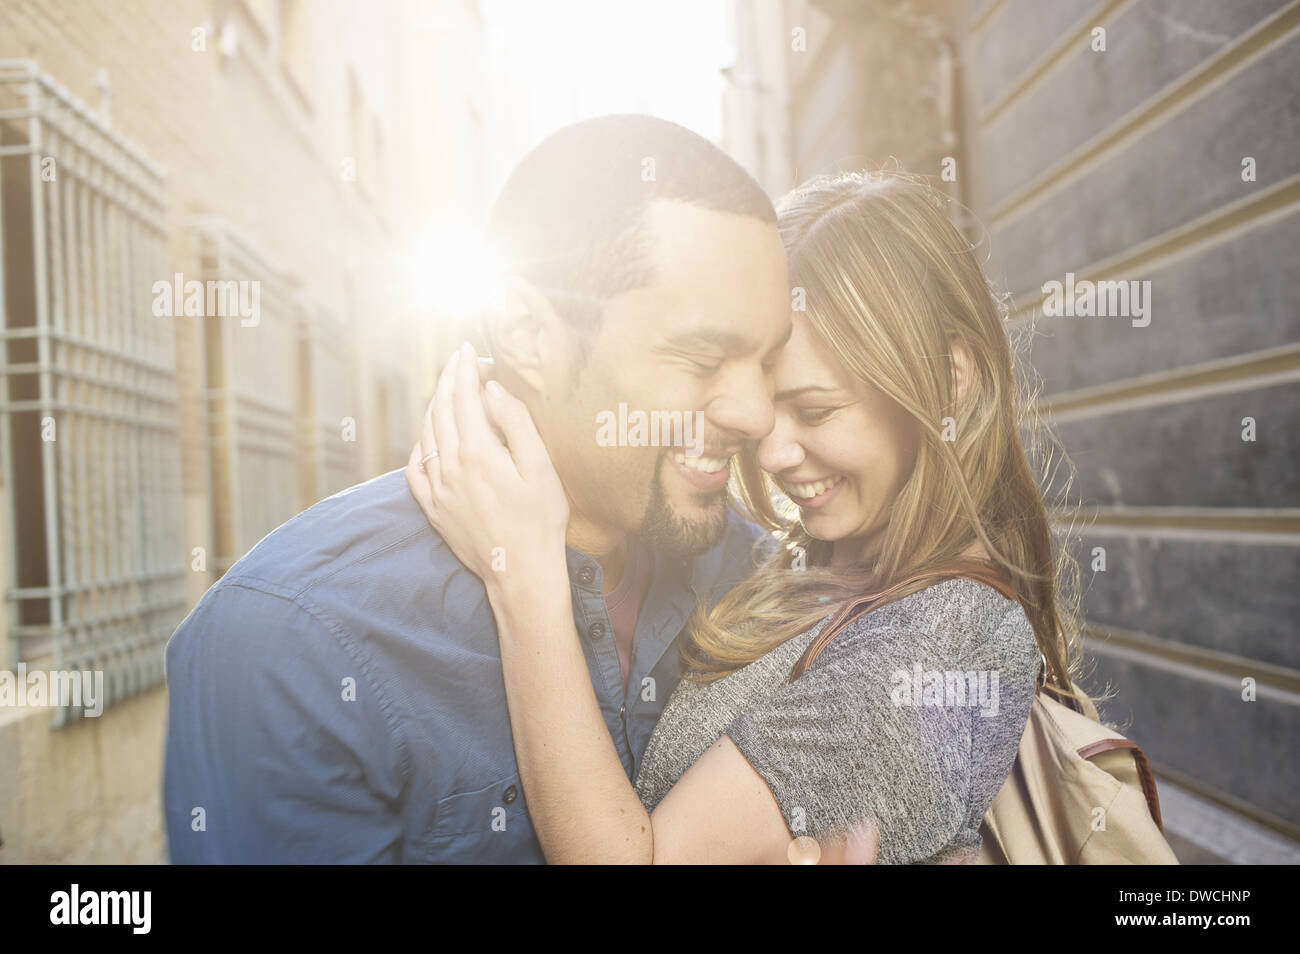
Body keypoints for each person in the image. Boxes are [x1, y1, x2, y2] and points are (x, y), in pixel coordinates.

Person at [405, 169, 1085, 864]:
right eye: (759, 395)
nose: (774, 447)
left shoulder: (945, 637)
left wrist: (525, 579)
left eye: (815, 410)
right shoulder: (828, 559)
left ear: (948, 379)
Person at [162, 115, 792, 863]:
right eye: (702, 357)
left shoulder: (760, 583)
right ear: (528, 333)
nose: (756, 414)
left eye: (768, 361)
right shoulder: (290, 646)